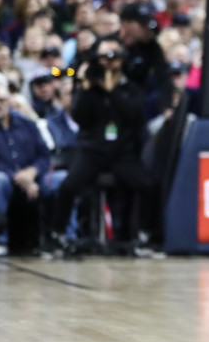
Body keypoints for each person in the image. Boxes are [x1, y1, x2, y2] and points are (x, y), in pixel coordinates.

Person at [47, 38, 154, 257]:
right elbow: (80, 118)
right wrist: (85, 88)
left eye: (114, 57)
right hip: (92, 151)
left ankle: (147, 235)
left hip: (121, 152)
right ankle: (57, 234)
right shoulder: (87, 87)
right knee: (68, 187)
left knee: (147, 185)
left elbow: (133, 115)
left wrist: (110, 90)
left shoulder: (131, 87)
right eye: (103, 58)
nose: (108, 62)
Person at [0, 83, 51, 253]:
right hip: (3, 177)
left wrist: (32, 172)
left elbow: (44, 154)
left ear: (9, 101)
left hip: (33, 175)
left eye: (1, 100)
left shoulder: (27, 123)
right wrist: (20, 177)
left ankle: (63, 237)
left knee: (60, 180)